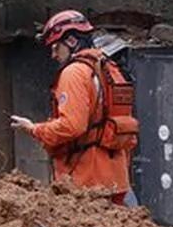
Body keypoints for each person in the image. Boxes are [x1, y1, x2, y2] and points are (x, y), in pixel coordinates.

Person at [8, 10, 138, 204]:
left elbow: (72, 125)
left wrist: (34, 129)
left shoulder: (74, 72)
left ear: (70, 41)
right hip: (116, 179)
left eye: (55, 47)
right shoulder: (107, 67)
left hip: (86, 182)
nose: (53, 55)